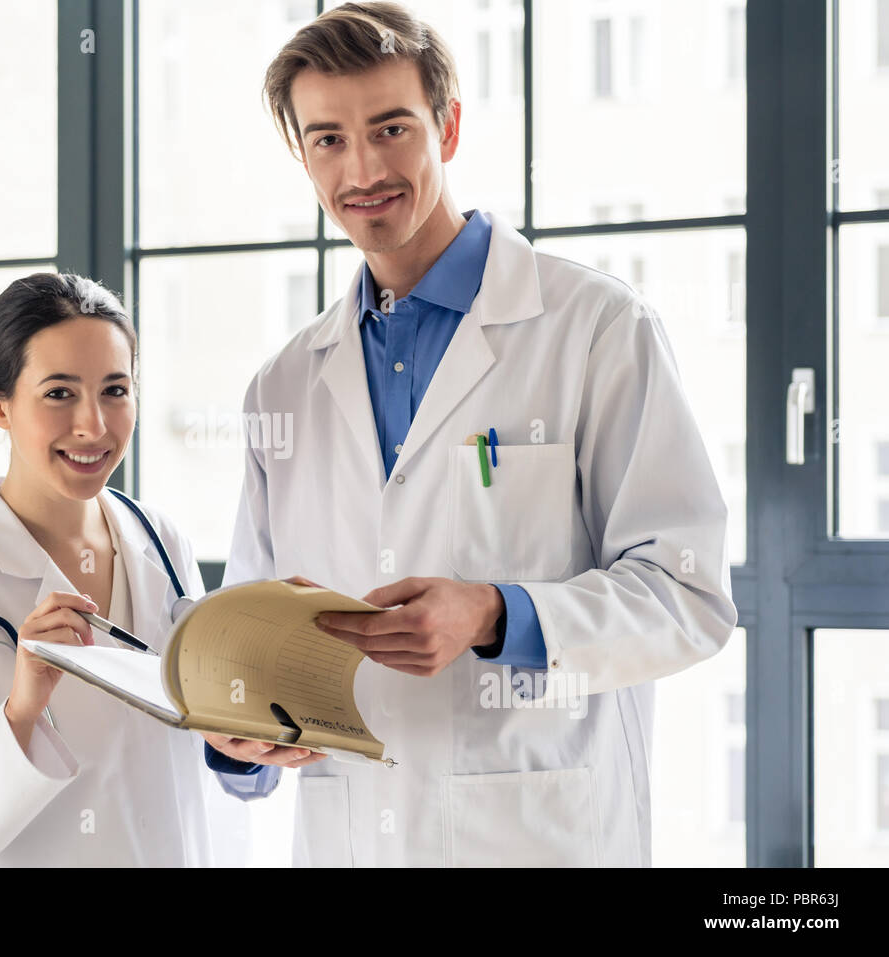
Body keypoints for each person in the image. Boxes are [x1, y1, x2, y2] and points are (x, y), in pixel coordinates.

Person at [203, 1, 738, 866]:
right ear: (302, 158)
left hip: (538, 830)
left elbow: (688, 595)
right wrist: (236, 734)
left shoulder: (595, 328)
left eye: (390, 127)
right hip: (349, 837)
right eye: (328, 140)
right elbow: (254, 641)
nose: (364, 167)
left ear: (447, 127)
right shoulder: (287, 383)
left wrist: (497, 613)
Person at [0, 272, 221, 866]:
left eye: (115, 390)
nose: (94, 425)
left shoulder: (162, 543)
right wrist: (21, 713)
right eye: (59, 393)